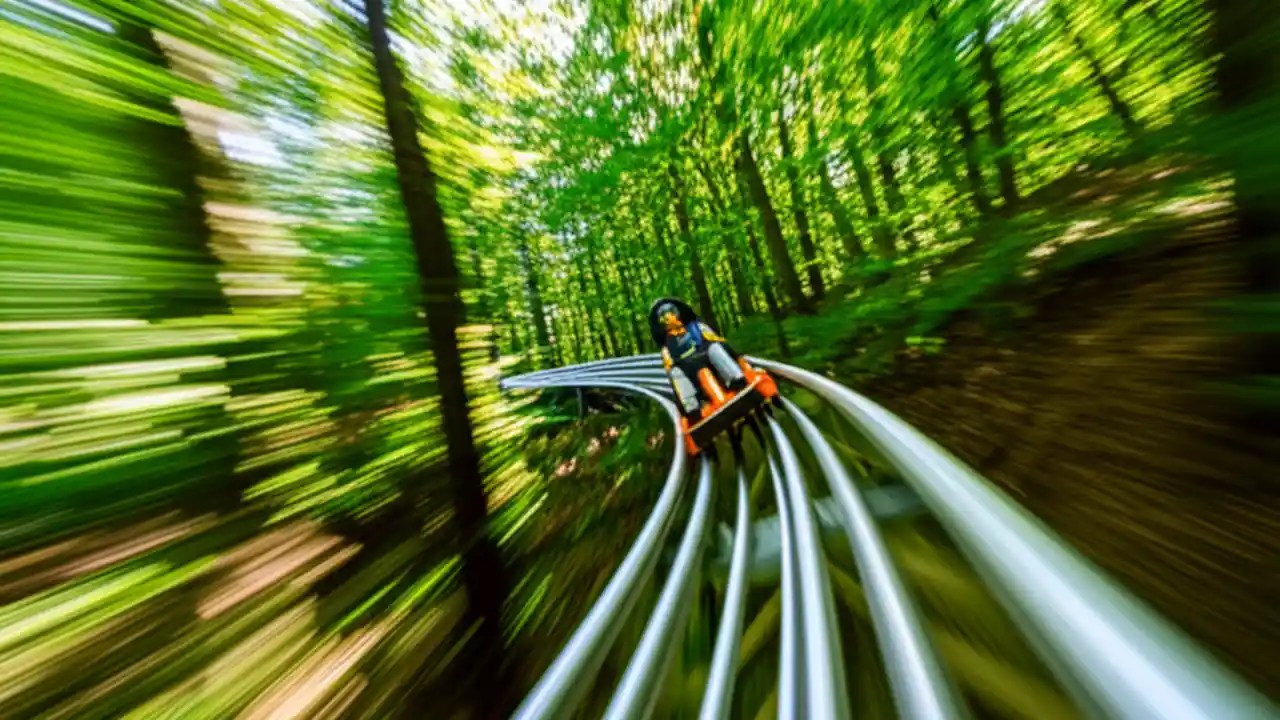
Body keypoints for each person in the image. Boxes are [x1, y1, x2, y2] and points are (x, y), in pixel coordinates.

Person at [649, 298, 747, 420]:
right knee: (675, 373)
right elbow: (671, 371)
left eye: (671, 313)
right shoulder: (667, 348)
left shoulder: (698, 328)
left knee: (715, 348)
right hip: (692, 376)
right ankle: (693, 410)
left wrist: (740, 360)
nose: (669, 317)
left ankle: (737, 380)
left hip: (713, 365)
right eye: (664, 317)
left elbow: (719, 342)